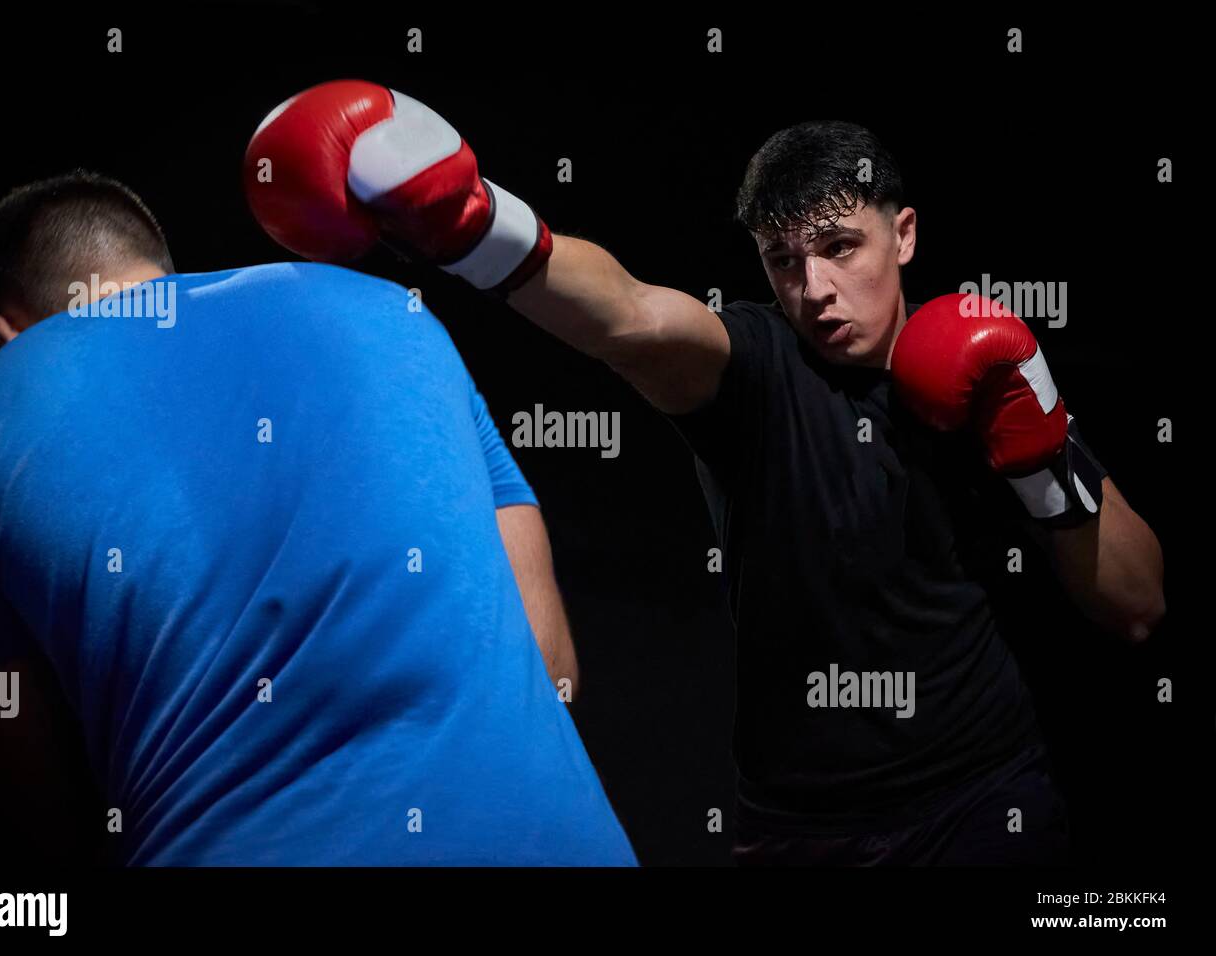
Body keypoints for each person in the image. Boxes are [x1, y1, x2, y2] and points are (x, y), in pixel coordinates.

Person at [245, 81, 1167, 865]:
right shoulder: (758, 368)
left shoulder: (993, 370)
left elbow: (1137, 605)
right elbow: (630, 317)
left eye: (841, 248)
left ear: (906, 235)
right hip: (800, 831)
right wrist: (467, 221)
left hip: (987, 803)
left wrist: (1042, 460)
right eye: (783, 261)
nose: (814, 288)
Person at [0, 170, 637, 866]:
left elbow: (29, 807)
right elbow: (550, 666)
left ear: (11, 332)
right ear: (162, 266)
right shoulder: (392, 311)